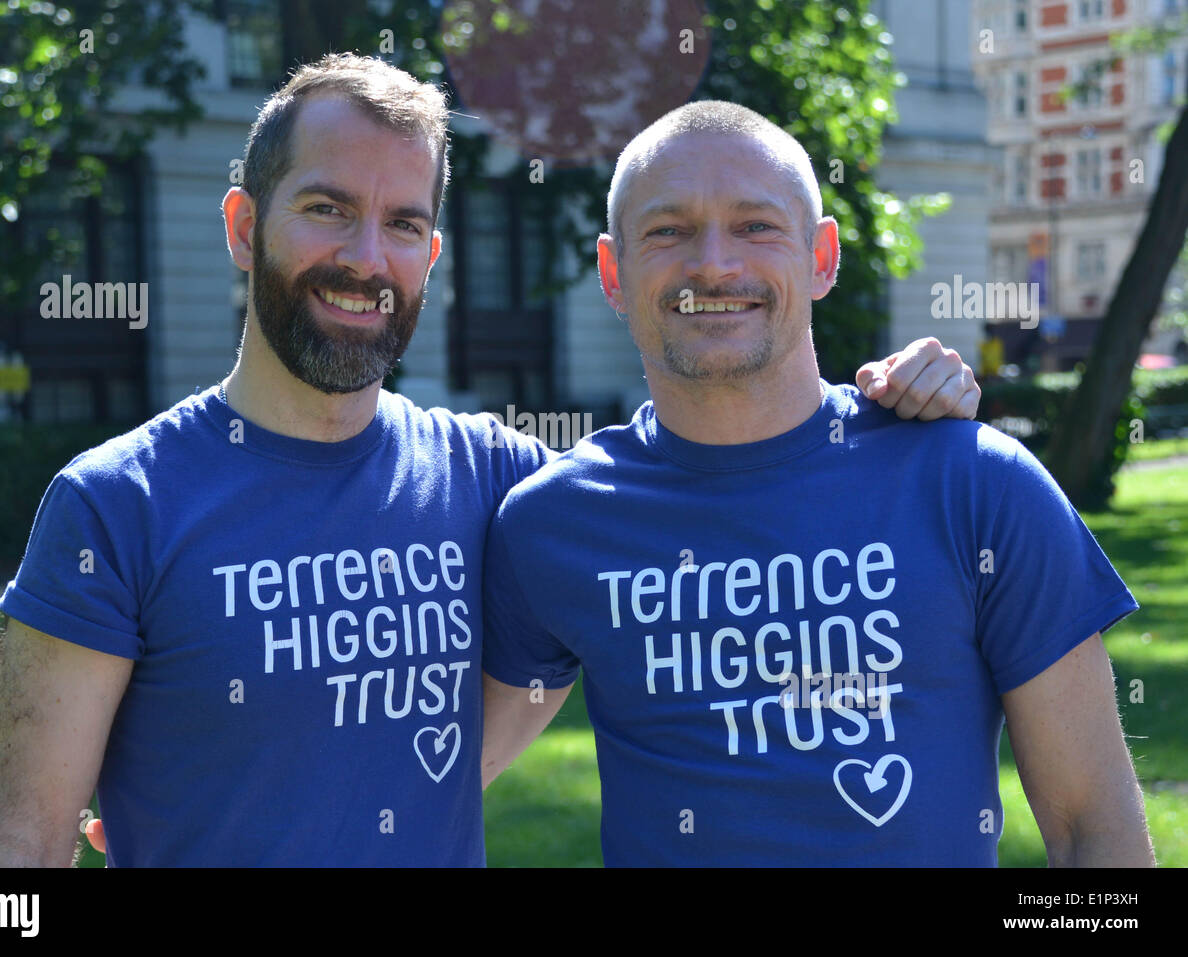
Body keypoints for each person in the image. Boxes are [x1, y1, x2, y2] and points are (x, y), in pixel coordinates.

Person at [0, 57, 981, 867]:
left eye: (402, 223)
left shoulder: (504, 486)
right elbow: (16, 853)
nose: (366, 256)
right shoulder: (112, 506)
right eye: (325, 208)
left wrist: (887, 405)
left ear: (431, 257)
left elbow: (715, 469)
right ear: (243, 226)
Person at [478, 101, 1156, 867]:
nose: (715, 265)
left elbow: (1094, 833)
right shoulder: (555, 523)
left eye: (755, 226)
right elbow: (430, 781)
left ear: (822, 257)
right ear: (613, 271)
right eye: (668, 231)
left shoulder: (973, 484)